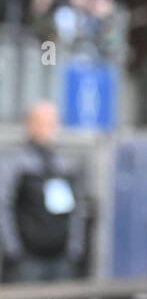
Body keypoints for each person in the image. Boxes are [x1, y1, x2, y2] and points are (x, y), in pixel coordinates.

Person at [0, 100, 85, 283]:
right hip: (27, 260)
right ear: (30, 125)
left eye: (52, 123)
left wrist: (74, 249)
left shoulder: (64, 165)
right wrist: (13, 250)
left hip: (61, 259)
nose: (47, 129)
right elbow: (4, 206)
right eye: (41, 122)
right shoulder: (16, 163)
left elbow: (77, 208)